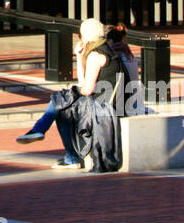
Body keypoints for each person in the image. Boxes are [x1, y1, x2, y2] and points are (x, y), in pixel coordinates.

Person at [16, 18, 126, 172]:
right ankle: (45, 135)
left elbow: (86, 89)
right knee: (62, 102)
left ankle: (53, 142)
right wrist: (79, 57)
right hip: (106, 103)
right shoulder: (105, 49)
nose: (80, 38)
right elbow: (83, 82)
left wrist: (73, 92)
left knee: (61, 103)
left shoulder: (96, 55)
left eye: (81, 34)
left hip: (101, 107)